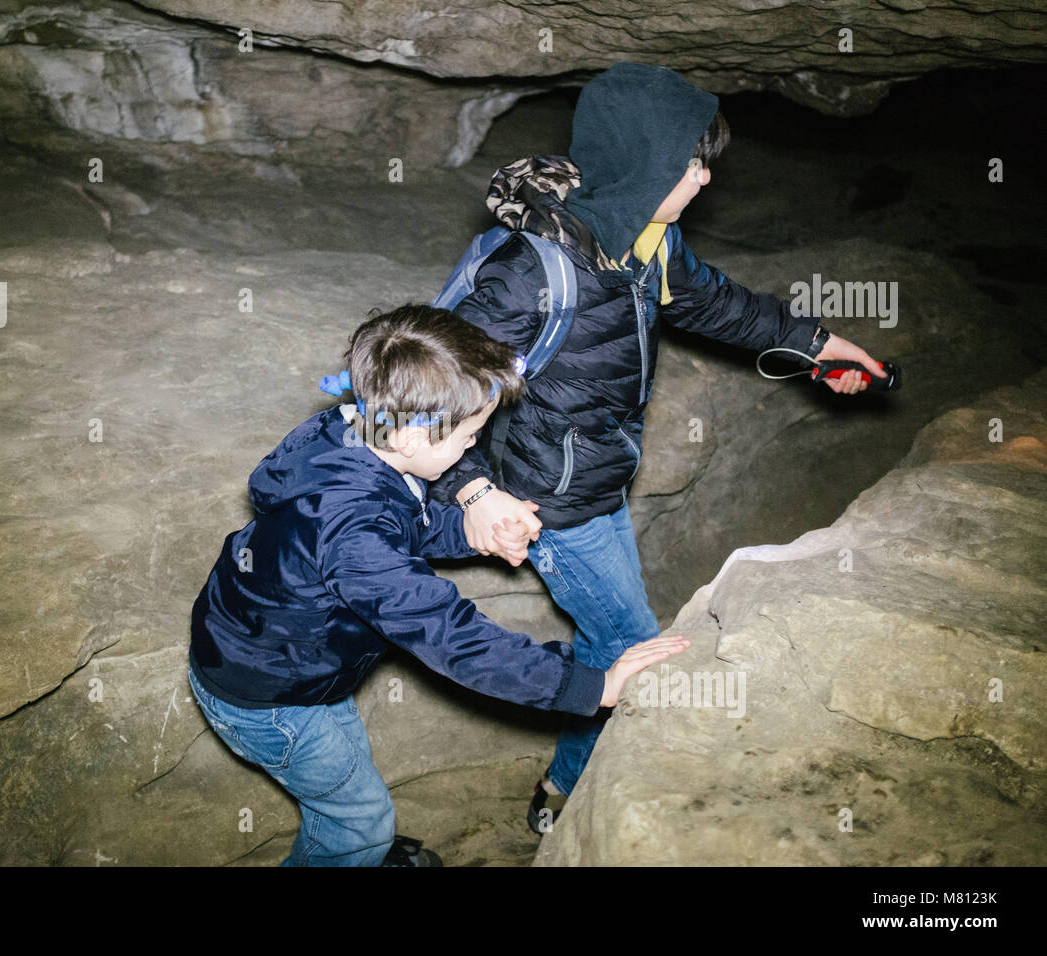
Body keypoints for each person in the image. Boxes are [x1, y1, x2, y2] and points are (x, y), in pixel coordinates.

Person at [427, 62, 886, 832]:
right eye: (692, 162)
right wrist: (475, 492)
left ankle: (567, 770)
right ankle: (563, 797)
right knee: (634, 642)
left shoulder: (648, 238)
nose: (705, 179)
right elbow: (418, 397)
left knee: (611, 629)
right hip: (551, 497)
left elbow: (713, 301)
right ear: (645, 164)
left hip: (599, 473)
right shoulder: (528, 274)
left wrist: (818, 343)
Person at [188, 304, 690, 865]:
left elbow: (398, 524)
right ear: (408, 436)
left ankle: (350, 845)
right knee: (361, 821)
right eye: (469, 434)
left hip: (286, 659)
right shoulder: (353, 532)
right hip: (268, 693)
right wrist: (592, 688)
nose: (474, 448)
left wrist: (472, 533)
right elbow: (452, 638)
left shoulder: (352, 433)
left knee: (345, 771)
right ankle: (356, 847)